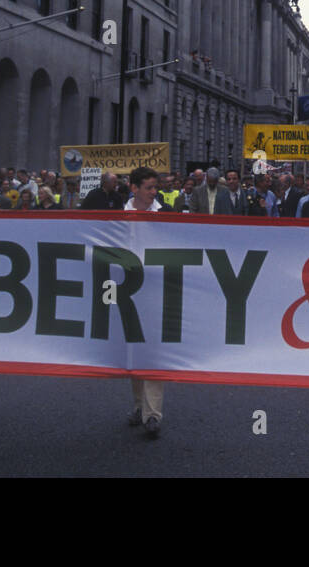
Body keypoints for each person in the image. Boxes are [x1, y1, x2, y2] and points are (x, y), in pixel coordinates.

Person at [121, 166, 173, 438]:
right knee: (135, 350)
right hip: (128, 291)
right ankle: (139, 406)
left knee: (153, 351)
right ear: (134, 188)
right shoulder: (118, 217)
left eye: (156, 188)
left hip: (156, 289)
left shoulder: (166, 216)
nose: (154, 192)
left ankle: (153, 414)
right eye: (149, 187)